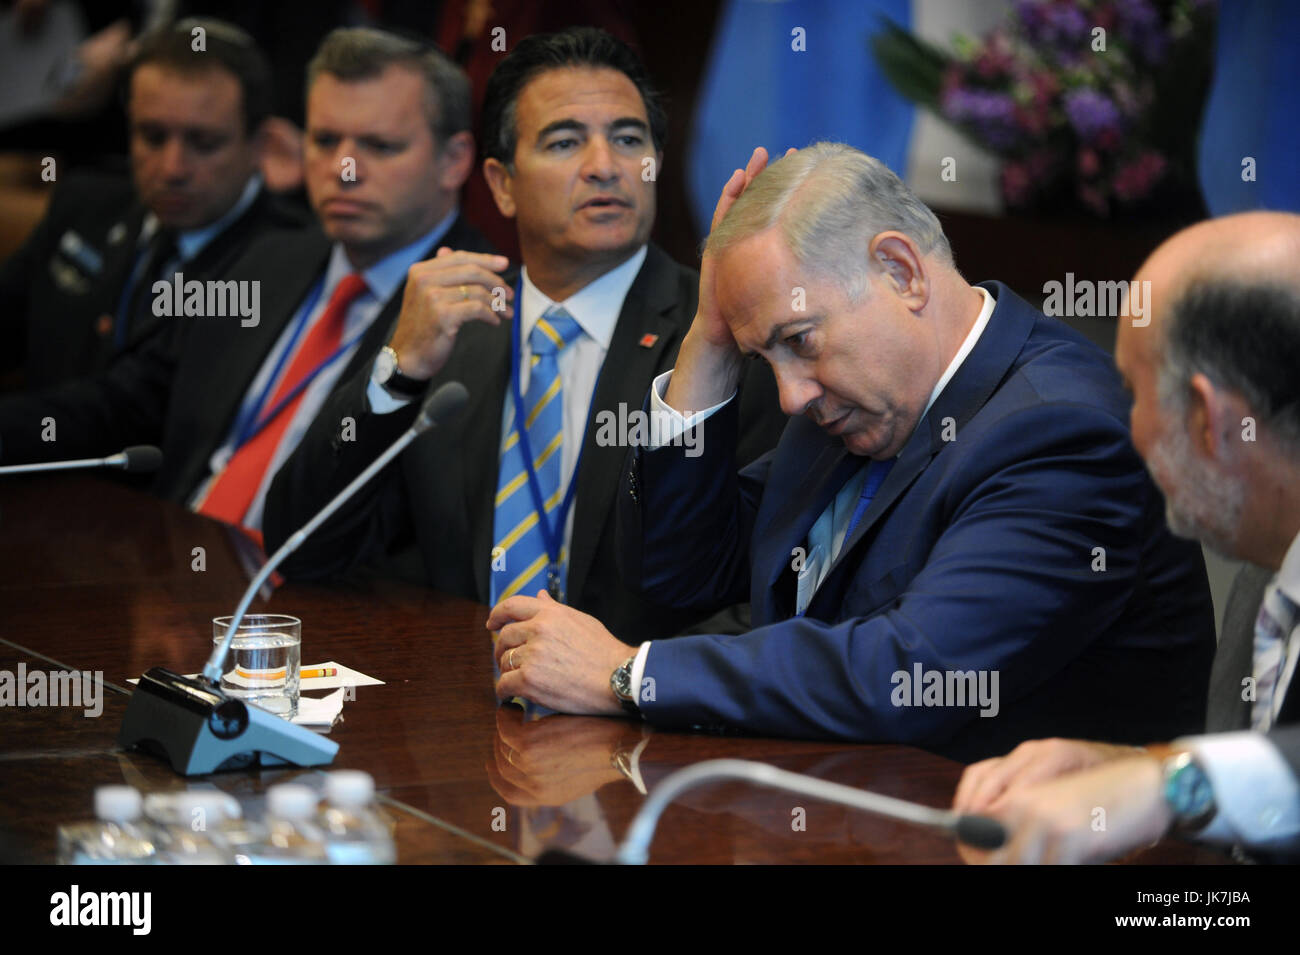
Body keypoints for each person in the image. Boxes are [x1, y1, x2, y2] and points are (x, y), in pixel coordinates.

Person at [488, 142, 1216, 763]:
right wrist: (711, 336)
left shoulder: (1059, 432)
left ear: (900, 271)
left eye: (799, 340)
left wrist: (628, 674)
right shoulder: (859, 397)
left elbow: (908, 672)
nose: (790, 397)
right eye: (762, 354)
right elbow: (676, 571)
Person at [262, 28, 784, 643]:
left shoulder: (726, 336)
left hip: (635, 717)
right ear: (501, 184)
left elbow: (768, 597)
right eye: (565, 142)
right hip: (454, 705)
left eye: (628, 139)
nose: (604, 167)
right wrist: (398, 373)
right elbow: (306, 552)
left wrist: (625, 681)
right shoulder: (453, 326)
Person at [0, 27, 490, 539]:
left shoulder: (481, 310)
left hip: (322, 601)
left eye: (380, 146)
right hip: (169, 562)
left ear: (454, 160)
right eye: (324, 141)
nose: (343, 170)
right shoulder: (261, 257)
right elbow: (134, 398)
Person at [952, 211, 1300, 863]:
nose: (1124, 422)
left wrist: (1165, 783)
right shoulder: (1268, 569)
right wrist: (1120, 768)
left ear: (1207, 419)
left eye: (1132, 390)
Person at [0, 19, 305, 391]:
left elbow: (136, 408)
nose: (172, 169)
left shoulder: (287, 261)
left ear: (260, 144)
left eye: (204, 142)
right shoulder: (84, 207)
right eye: (152, 136)